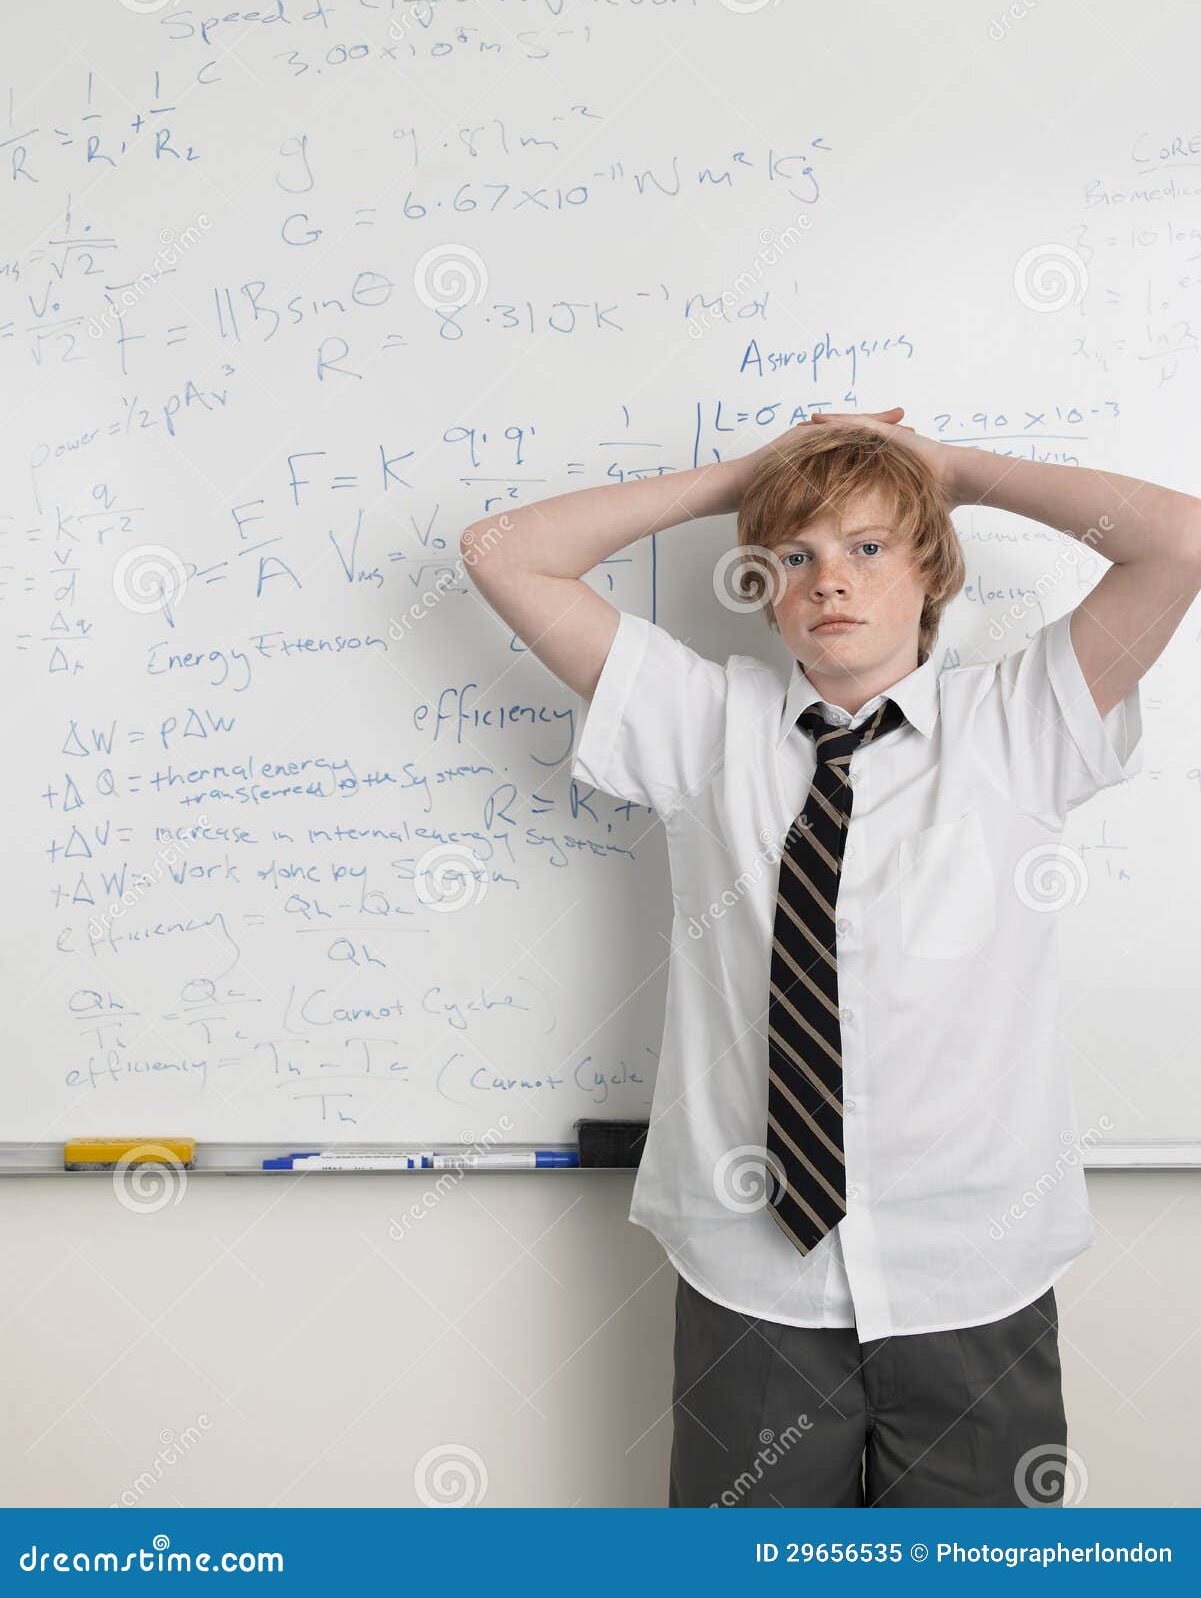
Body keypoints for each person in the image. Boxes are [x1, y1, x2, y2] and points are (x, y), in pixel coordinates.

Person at [459, 406, 1201, 1507]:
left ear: (932, 570)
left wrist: (946, 470)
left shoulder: (1019, 723)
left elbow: (1178, 542)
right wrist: (755, 480)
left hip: (972, 1279)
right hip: (752, 1281)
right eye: (794, 557)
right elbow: (500, 552)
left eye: (868, 547)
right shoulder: (703, 724)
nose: (829, 580)